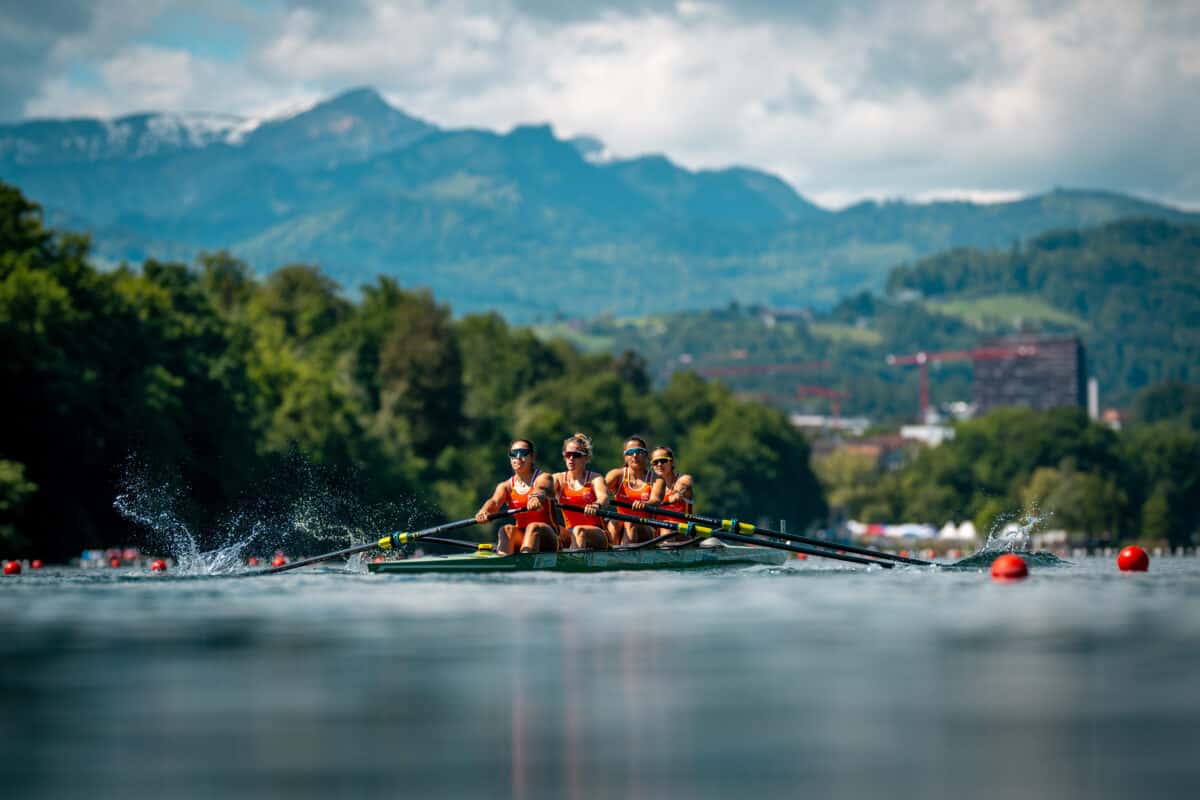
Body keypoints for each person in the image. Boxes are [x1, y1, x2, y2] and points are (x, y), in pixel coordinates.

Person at [475, 439, 559, 554]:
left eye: (523, 453)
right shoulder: (506, 486)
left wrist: (535, 498)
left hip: (550, 538)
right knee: (506, 529)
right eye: (514, 454)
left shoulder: (544, 477)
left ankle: (525, 562)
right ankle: (504, 564)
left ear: (532, 457)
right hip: (522, 537)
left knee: (533, 527)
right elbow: (494, 502)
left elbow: (542, 489)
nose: (518, 457)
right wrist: (484, 512)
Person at [552, 433, 610, 550]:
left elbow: (604, 497)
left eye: (576, 455)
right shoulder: (558, 478)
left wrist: (596, 505)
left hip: (598, 533)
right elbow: (545, 490)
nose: (571, 459)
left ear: (586, 458)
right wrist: (538, 497)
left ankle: (573, 563)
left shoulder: (595, 478)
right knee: (548, 528)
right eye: (568, 455)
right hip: (570, 531)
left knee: (579, 530)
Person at [604, 435, 657, 546]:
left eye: (639, 451)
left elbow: (656, 499)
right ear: (625, 457)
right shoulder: (616, 475)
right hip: (620, 525)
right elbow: (600, 490)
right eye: (630, 452)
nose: (634, 455)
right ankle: (611, 554)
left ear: (646, 455)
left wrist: (645, 503)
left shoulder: (656, 479)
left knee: (630, 521)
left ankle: (624, 556)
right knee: (614, 521)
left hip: (648, 528)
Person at [634, 445, 694, 523]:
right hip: (656, 531)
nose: (659, 464)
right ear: (652, 466)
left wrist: (677, 493)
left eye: (663, 461)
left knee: (666, 529)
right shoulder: (649, 486)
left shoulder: (683, 479)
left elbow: (685, 484)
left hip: (679, 531)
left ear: (672, 462)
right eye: (655, 462)